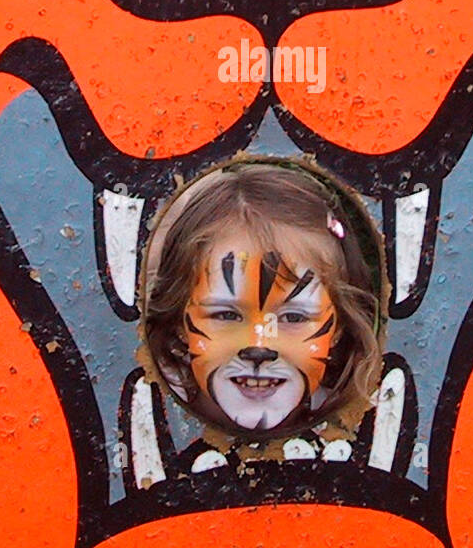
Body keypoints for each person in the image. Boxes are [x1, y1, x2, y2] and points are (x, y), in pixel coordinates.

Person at [142, 161, 384, 440]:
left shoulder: (365, 426)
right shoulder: (149, 414)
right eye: (226, 315)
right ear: (179, 323)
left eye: (293, 317)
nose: (259, 346)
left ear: (338, 327)